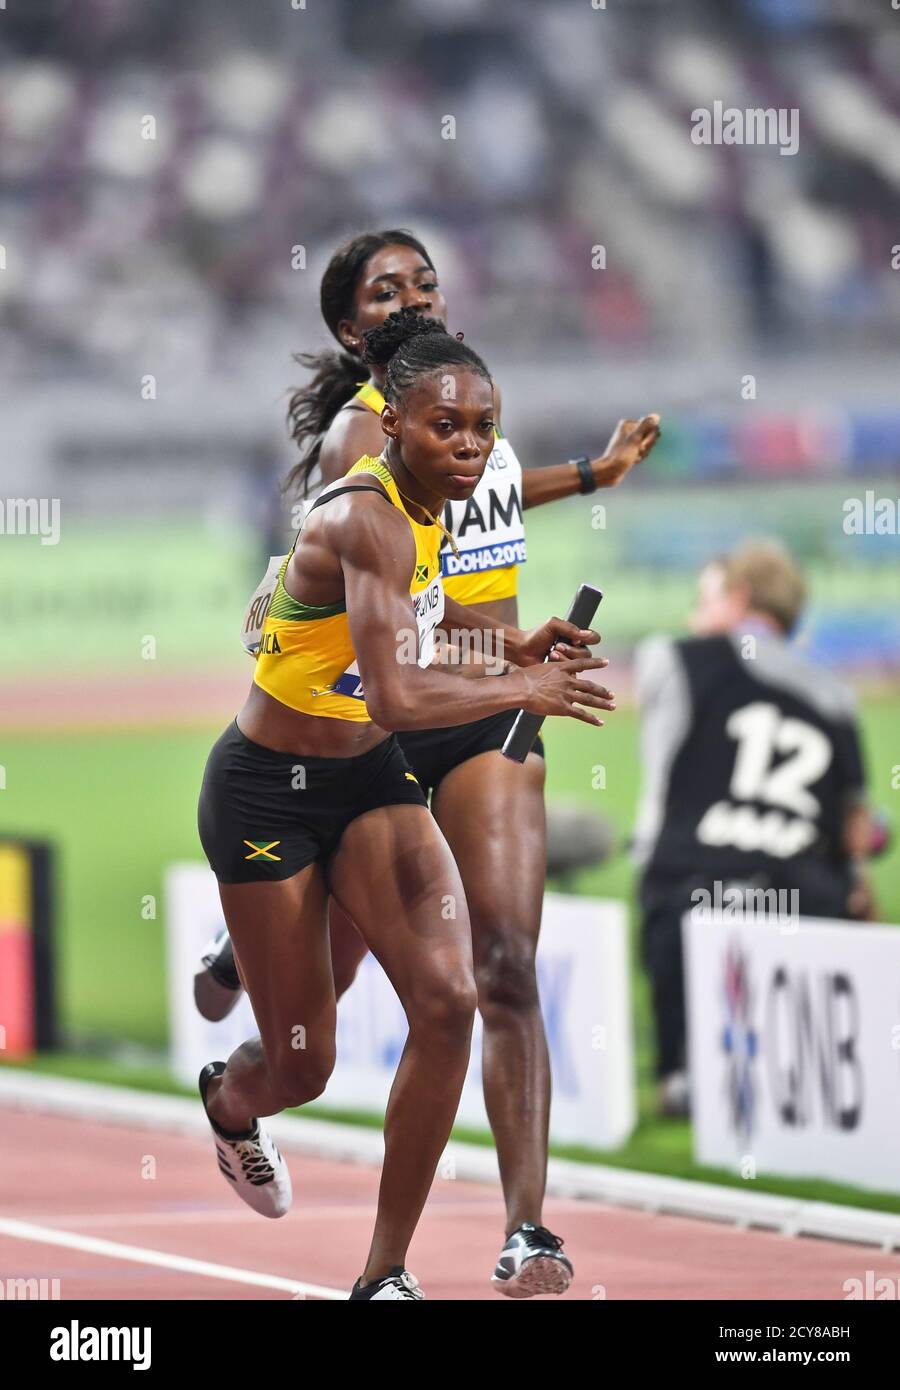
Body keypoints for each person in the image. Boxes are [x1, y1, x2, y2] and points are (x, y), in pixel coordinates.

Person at [199, 229, 659, 1297]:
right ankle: (233, 1090)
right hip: (278, 782)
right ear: (389, 412)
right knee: (304, 1062)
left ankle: (391, 1272)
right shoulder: (365, 488)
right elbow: (399, 674)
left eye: (482, 432)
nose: (470, 447)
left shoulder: (443, 464)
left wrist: (513, 639)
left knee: (458, 992)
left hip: (375, 772)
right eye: (448, 429)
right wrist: (520, 682)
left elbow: (433, 613)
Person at [632, 539, 877, 1119]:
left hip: (690, 895)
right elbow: (857, 827)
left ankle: (681, 1072)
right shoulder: (836, 696)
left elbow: (659, 782)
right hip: (805, 900)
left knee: (661, 874)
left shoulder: (674, 658)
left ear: (736, 598)